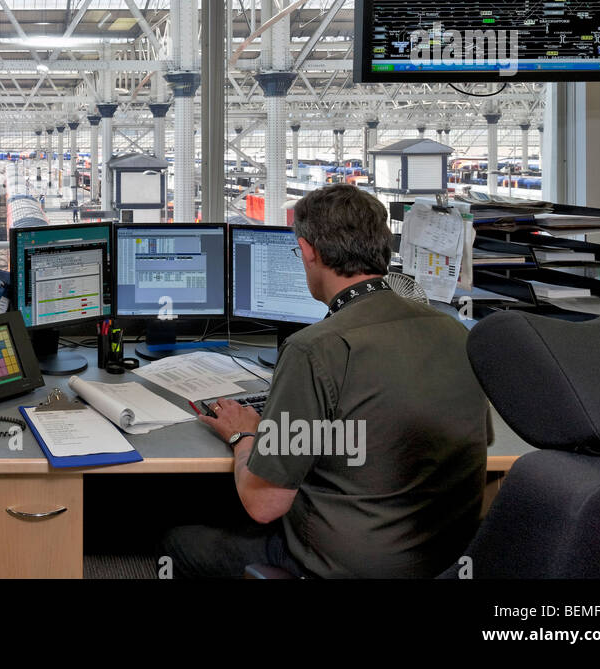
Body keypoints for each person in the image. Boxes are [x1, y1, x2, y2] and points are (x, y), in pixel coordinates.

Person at [161, 183, 489, 578]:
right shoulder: (456, 333)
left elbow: (263, 505)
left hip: (342, 565)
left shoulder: (314, 349)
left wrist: (243, 435)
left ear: (307, 252)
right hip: (445, 559)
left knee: (177, 541)